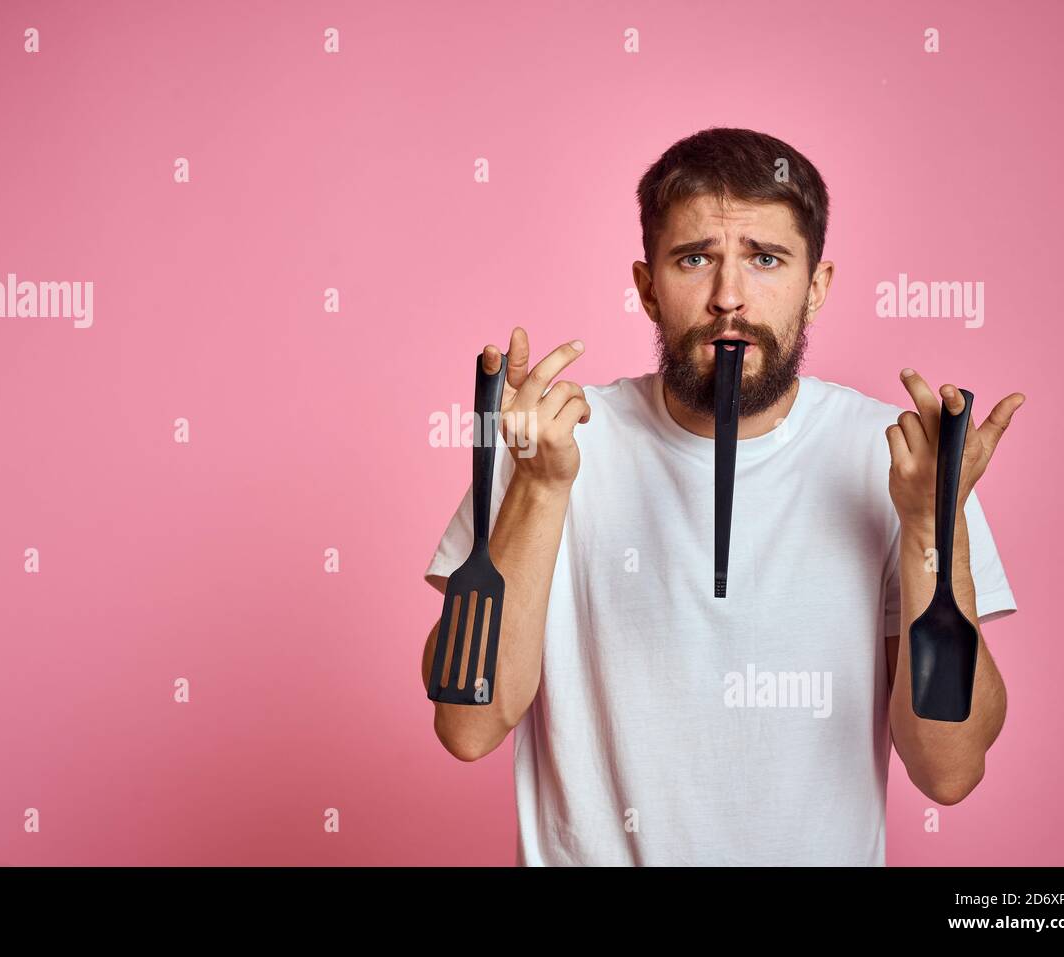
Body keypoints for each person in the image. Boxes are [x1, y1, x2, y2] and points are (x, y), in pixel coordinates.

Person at [420, 127, 1025, 866]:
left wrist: (939, 525)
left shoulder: (901, 461)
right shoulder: (556, 443)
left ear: (818, 285)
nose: (728, 298)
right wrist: (539, 488)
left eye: (765, 259)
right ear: (647, 287)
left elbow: (950, 767)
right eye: (695, 258)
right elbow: (468, 725)